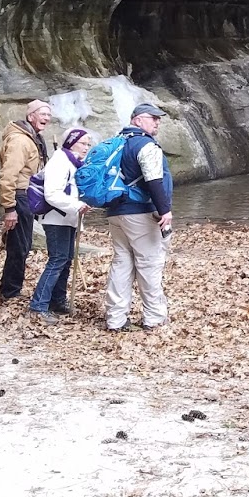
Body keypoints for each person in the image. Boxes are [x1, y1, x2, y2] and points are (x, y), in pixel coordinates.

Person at [104, 102, 175, 332]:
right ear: (137, 120)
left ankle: (115, 319)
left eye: (158, 118)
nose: (157, 122)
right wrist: (164, 209)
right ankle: (154, 317)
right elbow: (154, 179)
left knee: (122, 262)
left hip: (116, 212)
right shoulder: (145, 145)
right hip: (140, 212)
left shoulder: (117, 142)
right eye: (152, 118)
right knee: (149, 263)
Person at [29, 127, 95, 324]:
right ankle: (38, 306)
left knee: (65, 260)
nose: (86, 147)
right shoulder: (60, 161)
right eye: (83, 143)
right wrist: (76, 205)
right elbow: (52, 193)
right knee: (57, 260)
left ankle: (57, 301)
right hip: (56, 219)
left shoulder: (73, 162)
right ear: (71, 142)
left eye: (88, 144)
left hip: (67, 218)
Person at [0, 99, 52, 302]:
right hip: (20, 196)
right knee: (19, 246)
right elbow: (8, 175)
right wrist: (9, 208)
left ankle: (9, 289)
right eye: (43, 114)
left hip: (26, 195)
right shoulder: (20, 141)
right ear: (31, 116)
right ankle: (9, 292)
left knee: (22, 244)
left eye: (49, 115)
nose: (47, 118)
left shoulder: (31, 138)